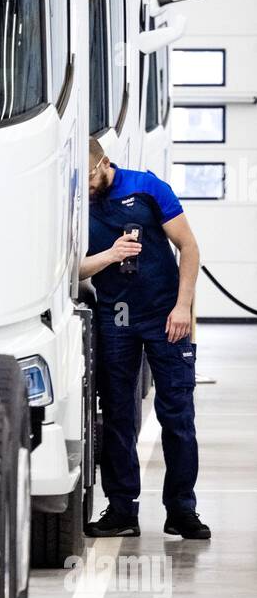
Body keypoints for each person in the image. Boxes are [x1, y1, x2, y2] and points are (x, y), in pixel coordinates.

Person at [80, 139, 211, 540]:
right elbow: (71, 268)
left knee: (177, 415)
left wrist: (182, 307)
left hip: (164, 316)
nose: (84, 187)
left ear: (103, 163)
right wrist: (111, 255)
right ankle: (121, 511)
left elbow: (188, 247)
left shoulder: (147, 187)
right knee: (118, 416)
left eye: (87, 177)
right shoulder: (74, 203)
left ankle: (181, 510)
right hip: (115, 318)